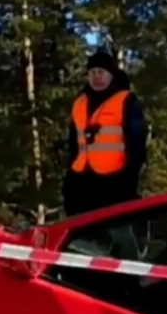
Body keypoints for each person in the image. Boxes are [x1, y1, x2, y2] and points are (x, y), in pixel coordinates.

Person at [61, 50, 148, 219]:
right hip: (81, 182)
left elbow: (137, 143)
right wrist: (70, 174)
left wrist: (130, 178)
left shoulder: (126, 101)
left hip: (115, 182)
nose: (97, 77)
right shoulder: (79, 103)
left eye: (101, 72)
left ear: (111, 75)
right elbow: (73, 143)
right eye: (92, 72)